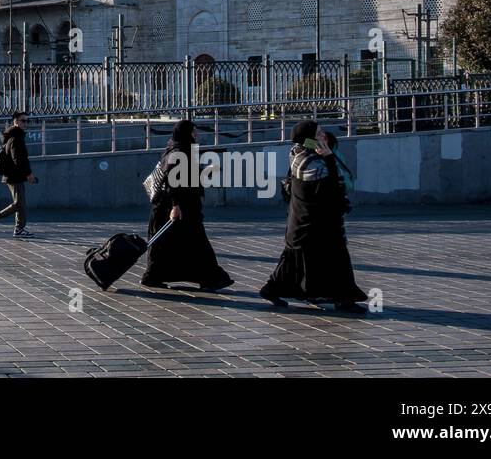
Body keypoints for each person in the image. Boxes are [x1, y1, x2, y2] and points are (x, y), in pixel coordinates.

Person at [260, 119, 368, 313]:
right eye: (318, 133)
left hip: (304, 220)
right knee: (334, 258)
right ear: (308, 138)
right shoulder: (310, 162)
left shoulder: (300, 152)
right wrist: (328, 157)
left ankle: (272, 289)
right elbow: (330, 188)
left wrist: (326, 151)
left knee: (295, 259)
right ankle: (344, 299)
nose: (323, 136)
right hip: (314, 221)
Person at [139, 120, 234, 291]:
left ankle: (156, 276)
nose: (196, 134)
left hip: (180, 206)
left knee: (174, 243)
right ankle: (210, 278)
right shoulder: (179, 151)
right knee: (195, 242)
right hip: (176, 207)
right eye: (193, 131)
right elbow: (172, 182)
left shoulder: (178, 148)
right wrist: (176, 206)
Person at [0, 111, 37, 238]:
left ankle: (19, 229)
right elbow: (18, 159)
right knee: (19, 203)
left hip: (15, 175)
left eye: (27, 121)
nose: (25, 124)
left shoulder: (15, 135)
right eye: (23, 121)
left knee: (21, 203)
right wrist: (29, 174)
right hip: (14, 176)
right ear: (15, 121)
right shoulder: (15, 137)